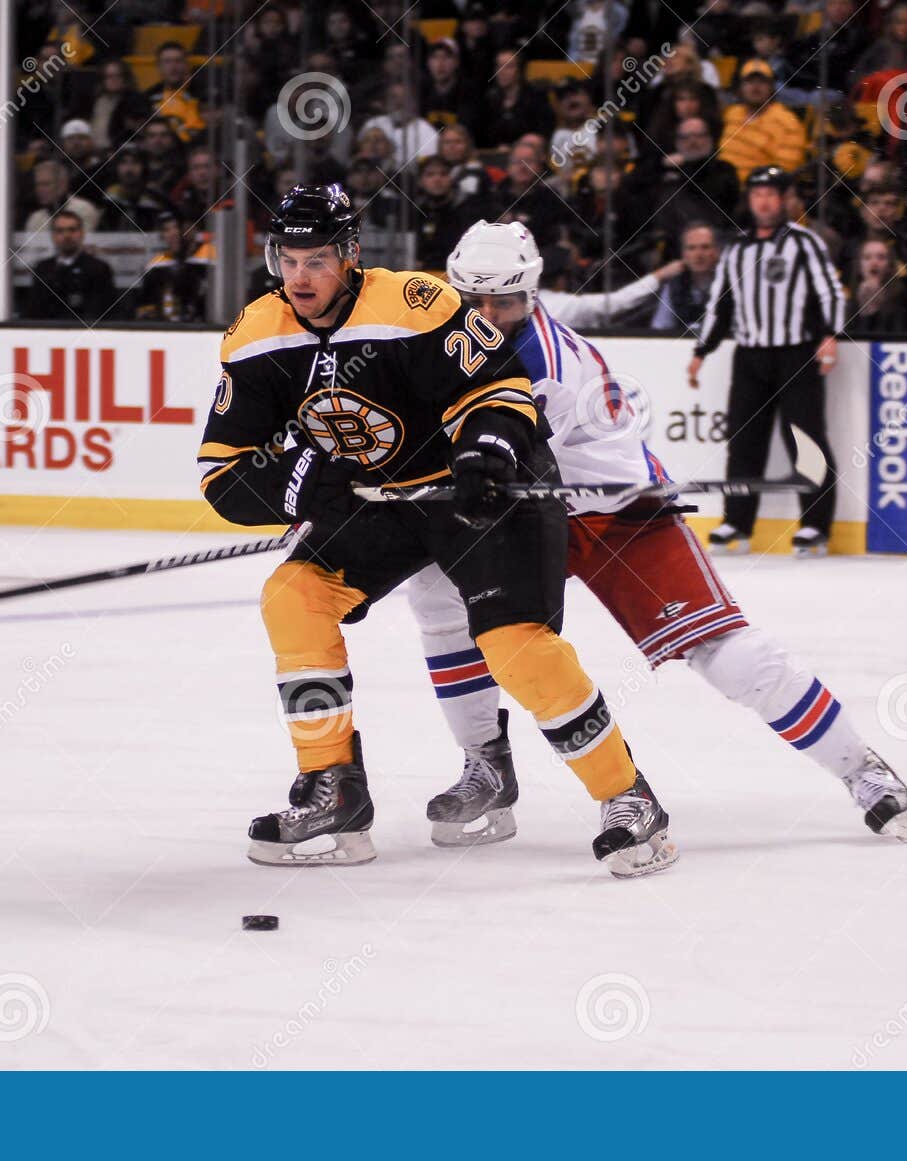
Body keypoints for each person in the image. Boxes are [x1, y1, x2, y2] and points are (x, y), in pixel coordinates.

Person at [196, 185, 678, 878]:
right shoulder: (255, 335)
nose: (300, 277)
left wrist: (486, 451)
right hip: (380, 505)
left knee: (515, 645)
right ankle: (334, 788)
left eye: (317, 260)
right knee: (292, 595)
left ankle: (628, 796)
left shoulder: (414, 303)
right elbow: (223, 474)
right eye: (288, 260)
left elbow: (500, 387)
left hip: (481, 493)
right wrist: (309, 483)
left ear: (350, 255)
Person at [403, 221, 907, 848]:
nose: (489, 316)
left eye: (506, 302)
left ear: (532, 293)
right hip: (526, 511)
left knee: (730, 655)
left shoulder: (551, 366)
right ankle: (486, 762)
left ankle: (860, 767)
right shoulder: (439, 334)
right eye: (476, 300)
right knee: (436, 594)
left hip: (615, 512)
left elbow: (495, 446)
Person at [687, 167, 845, 559]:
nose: (764, 201)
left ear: (785, 199)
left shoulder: (804, 243)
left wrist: (830, 334)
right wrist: (702, 351)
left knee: (807, 440)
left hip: (796, 353)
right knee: (743, 441)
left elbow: (829, 292)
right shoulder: (737, 249)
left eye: (772, 194)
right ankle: (737, 523)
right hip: (750, 357)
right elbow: (720, 303)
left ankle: (815, 525)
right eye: (758, 194)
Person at [23, 210, 119, 325]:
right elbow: (34, 311)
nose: (67, 236)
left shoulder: (99, 269)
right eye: (60, 231)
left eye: (72, 230)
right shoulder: (43, 269)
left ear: (82, 233)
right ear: (53, 236)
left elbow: (104, 312)